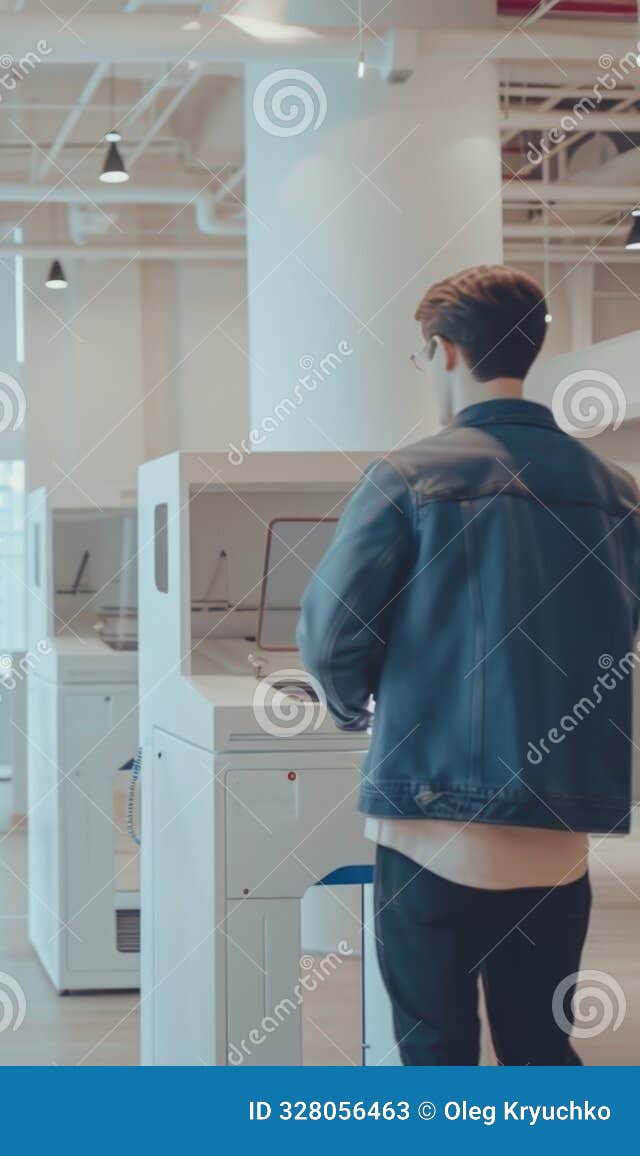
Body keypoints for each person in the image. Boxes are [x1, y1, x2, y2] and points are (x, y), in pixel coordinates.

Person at [297, 266, 640, 1065]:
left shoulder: (409, 477)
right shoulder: (616, 491)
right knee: (541, 1048)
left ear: (444, 351)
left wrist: (357, 708)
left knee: (434, 1049)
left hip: (429, 819)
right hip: (562, 825)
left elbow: (332, 635)